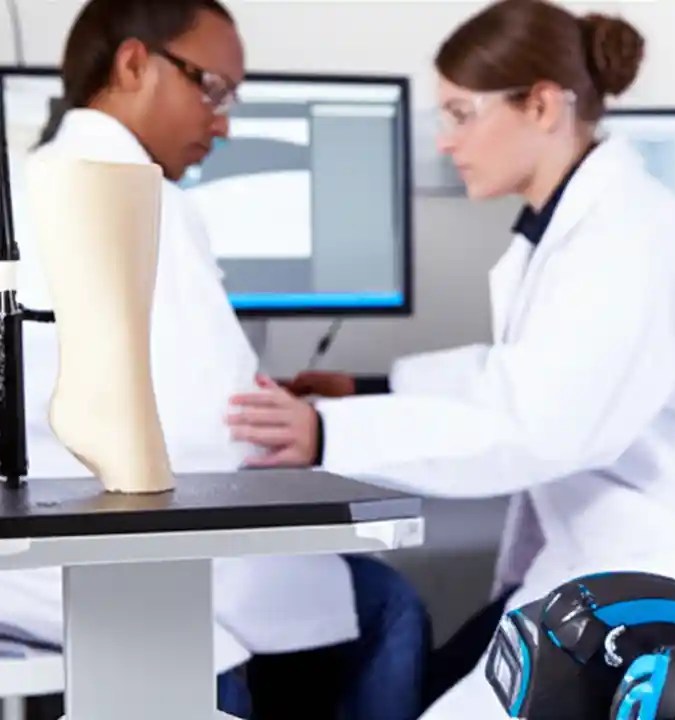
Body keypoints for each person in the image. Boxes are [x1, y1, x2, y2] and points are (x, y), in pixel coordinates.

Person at [225, 0, 675, 715]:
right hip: (604, 559)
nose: (446, 142)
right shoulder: (575, 227)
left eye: (460, 113)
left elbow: (538, 425)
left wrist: (329, 434)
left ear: (541, 104)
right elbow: (521, 373)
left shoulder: (626, 239)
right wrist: (368, 390)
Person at [0, 1, 430, 718]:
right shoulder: (136, 193)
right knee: (390, 608)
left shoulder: (36, 178)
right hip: (120, 552)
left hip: (49, 550)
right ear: (133, 63)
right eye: (213, 88)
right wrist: (300, 422)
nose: (224, 121)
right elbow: (214, 422)